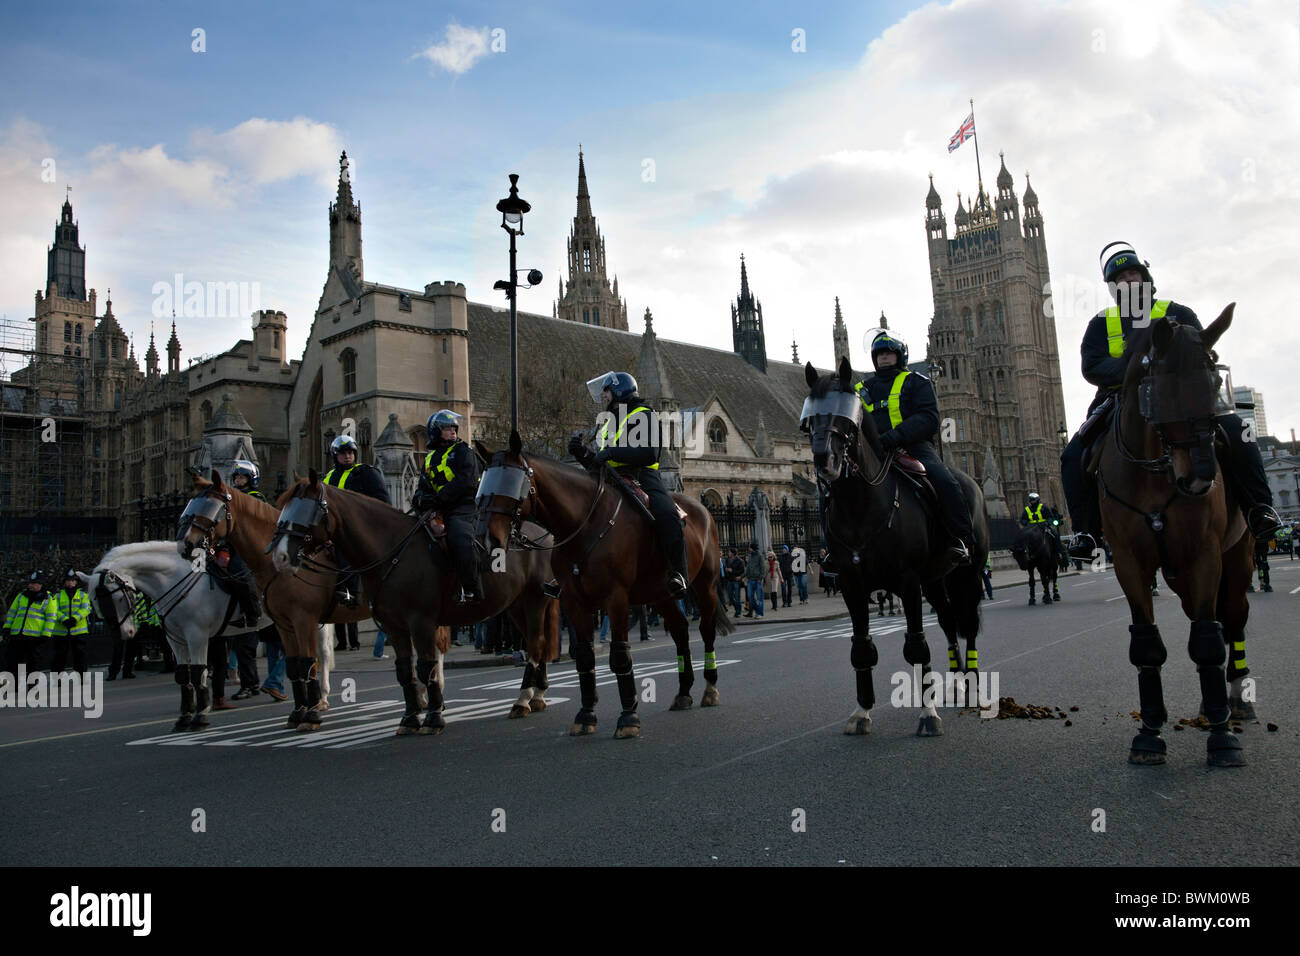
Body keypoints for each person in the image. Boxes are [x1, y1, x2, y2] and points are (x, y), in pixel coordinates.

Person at [1062, 242, 1281, 557]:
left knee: (1239, 433)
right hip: (1122, 398)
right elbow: (1092, 367)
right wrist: (1133, 368)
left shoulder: (1177, 312)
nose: (1129, 280)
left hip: (1182, 397)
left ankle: (1260, 507)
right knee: (1073, 456)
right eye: (1121, 278)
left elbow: (1200, 353)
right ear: (1113, 288)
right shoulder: (1101, 324)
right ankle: (1086, 532)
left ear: (1146, 277)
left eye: (1134, 273)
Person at [855, 331, 974, 564]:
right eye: (880, 354)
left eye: (889, 353)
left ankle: (961, 540)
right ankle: (836, 549)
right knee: (834, 485)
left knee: (945, 480)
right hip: (874, 452)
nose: (884, 358)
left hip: (913, 448)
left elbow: (928, 418)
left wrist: (894, 437)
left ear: (900, 356)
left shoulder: (916, 382)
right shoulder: (861, 388)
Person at [569, 371, 688, 598]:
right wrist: (581, 452)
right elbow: (597, 462)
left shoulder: (643, 413)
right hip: (610, 477)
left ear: (619, 391)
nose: (605, 398)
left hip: (642, 476)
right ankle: (570, 571)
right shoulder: (606, 424)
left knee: (667, 514)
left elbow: (650, 453)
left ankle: (678, 573)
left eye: (607, 393)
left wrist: (612, 452)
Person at [411, 409, 482, 604]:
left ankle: (472, 588)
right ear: (435, 431)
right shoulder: (429, 458)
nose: (452, 431)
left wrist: (439, 498)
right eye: (447, 428)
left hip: (463, 507)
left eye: (454, 428)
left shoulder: (464, 451)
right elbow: (423, 485)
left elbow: (466, 481)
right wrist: (421, 499)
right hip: (438, 509)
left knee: (460, 537)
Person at [322, 434, 391, 612]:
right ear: (335, 456)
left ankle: (350, 591)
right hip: (332, 530)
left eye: (351, 453)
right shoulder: (328, 478)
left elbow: (382, 502)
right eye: (343, 453)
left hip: (361, 529)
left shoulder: (366, 473)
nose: (348, 456)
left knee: (347, 549)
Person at [4, 570, 54, 677]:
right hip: (17, 635)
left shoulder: (49, 598)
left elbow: (51, 618)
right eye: (30, 583)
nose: (30, 585)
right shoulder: (22, 595)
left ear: (41, 584)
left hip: (35, 637)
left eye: (34, 583)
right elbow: (12, 612)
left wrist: (46, 634)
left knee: (34, 664)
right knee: (13, 662)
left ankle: (32, 688)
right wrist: (7, 627)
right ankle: (13, 687)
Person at [49, 569, 92, 675]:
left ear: (76, 582)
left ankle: (82, 676)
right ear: (64, 582)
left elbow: (86, 609)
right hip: (61, 631)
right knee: (59, 656)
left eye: (72, 580)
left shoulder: (83, 595)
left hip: (79, 631)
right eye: (68, 581)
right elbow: (54, 609)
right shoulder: (57, 595)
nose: (70, 583)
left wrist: (74, 618)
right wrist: (63, 619)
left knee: (80, 655)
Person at [1020, 492, 1067, 567]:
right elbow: (1022, 519)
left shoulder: (1044, 508)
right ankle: (1024, 556)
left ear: (1037, 500)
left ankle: (1059, 552)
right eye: (1031, 500)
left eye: (1034, 500)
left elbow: (1050, 517)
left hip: (1043, 527)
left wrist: (1048, 522)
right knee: (1023, 538)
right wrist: (1026, 523)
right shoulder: (1027, 509)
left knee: (1055, 534)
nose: (1032, 502)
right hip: (1032, 528)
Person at [744, 542, 765, 618]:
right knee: (750, 597)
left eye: (750, 547)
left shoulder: (759, 556)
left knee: (759, 598)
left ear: (752, 548)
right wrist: (743, 576)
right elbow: (748, 568)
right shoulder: (750, 556)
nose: (748, 549)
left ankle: (759, 613)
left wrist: (761, 578)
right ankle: (757, 610)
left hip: (758, 580)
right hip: (750, 580)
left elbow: (763, 568)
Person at [725, 548, 745, 617]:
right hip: (729, 580)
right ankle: (736, 608)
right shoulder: (727, 560)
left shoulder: (740, 561)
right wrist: (726, 570)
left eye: (729, 552)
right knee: (730, 596)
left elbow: (742, 571)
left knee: (737, 597)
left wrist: (732, 571)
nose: (728, 553)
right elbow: (727, 568)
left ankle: (738, 612)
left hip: (736, 580)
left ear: (733, 553)